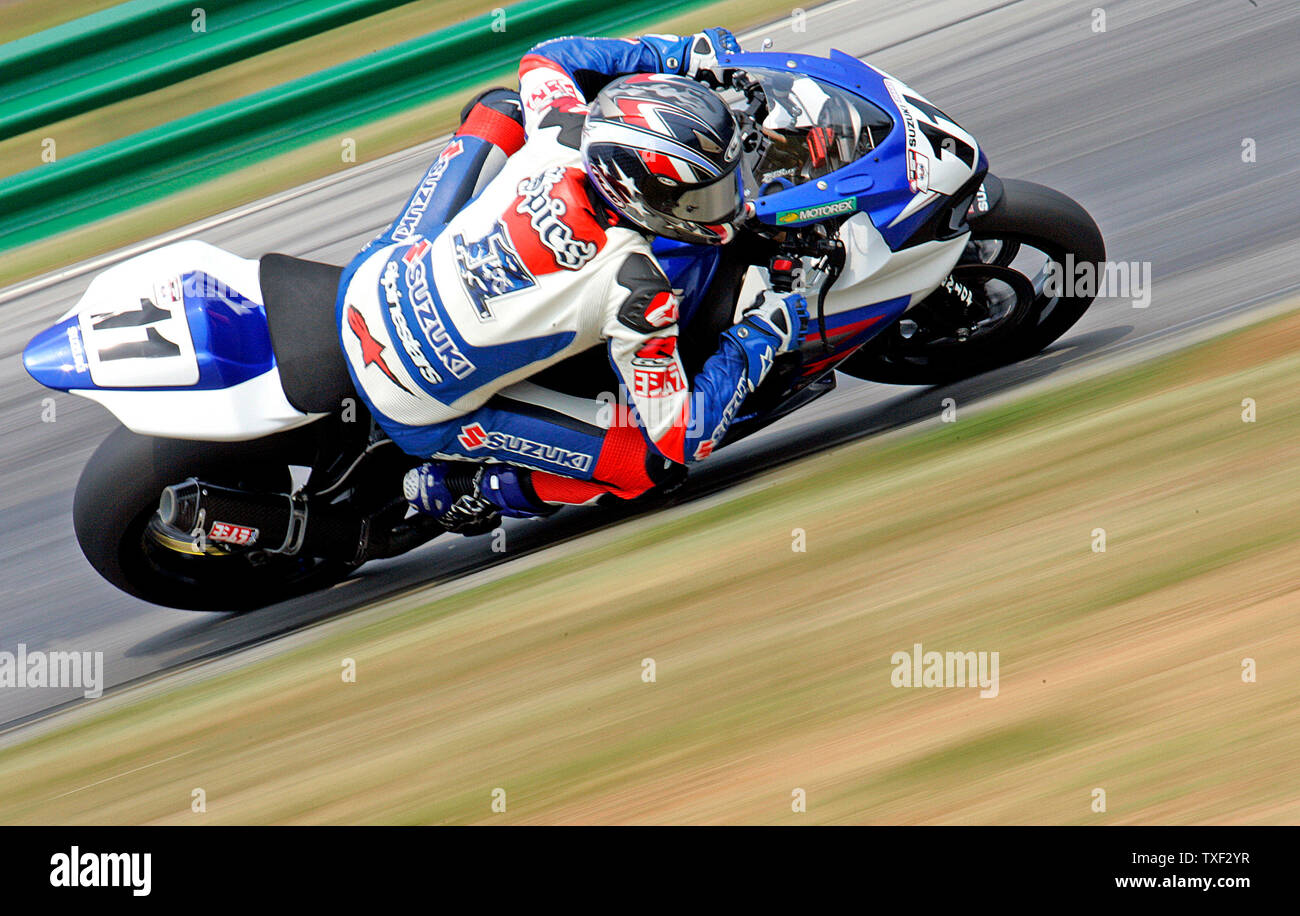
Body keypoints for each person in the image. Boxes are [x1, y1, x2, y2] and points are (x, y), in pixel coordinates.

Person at [335, 27, 808, 534]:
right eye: (700, 199)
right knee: (648, 466)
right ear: (637, 194)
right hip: (414, 401)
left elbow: (544, 57)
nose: (722, 208)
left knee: (500, 109)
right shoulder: (636, 288)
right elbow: (683, 435)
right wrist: (762, 335)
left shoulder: (562, 132)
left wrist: (675, 57)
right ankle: (471, 490)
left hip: (369, 280)